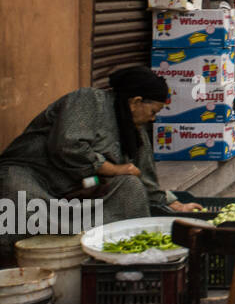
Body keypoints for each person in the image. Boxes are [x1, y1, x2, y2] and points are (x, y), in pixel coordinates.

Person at [0, 66, 204, 252]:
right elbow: (66, 145)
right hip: (35, 177)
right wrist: (112, 169)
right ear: (136, 102)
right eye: (153, 112)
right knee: (16, 191)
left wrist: (175, 204)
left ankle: (102, 248)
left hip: (75, 190)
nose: (153, 119)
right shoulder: (88, 100)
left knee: (131, 187)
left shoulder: (135, 131)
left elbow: (145, 176)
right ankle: (19, 256)